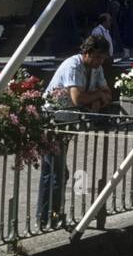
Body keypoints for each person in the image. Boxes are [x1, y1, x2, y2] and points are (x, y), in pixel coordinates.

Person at [37, 38, 112, 228]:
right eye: (96, 57)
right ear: (86, 52)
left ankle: (48, 216)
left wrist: (96, 98)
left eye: (102, 59)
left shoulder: (96, 67)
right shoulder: (73, 65)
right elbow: (77, 98)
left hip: (67, 123)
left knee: (55, 171)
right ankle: (49, 218)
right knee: (56, 172)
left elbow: (108, 94)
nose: (98, 62)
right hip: (53, 122)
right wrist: (96, 97)